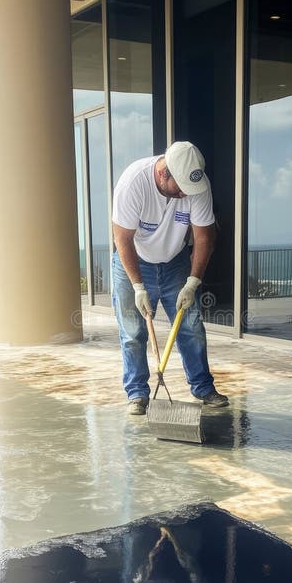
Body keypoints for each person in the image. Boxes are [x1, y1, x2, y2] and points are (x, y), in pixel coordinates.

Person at [112, 141, 229, 415]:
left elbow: (204, 236)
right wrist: (138, 286)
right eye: (180, 189)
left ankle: (203, 387)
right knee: (133, 332)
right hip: (135, 260)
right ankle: (137, 394)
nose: (186, 194)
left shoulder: (196, 183)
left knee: (191, 326)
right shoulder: (133, 183)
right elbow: (122, 238)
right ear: (163, 174)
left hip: (176, 261)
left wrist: (193, 282)